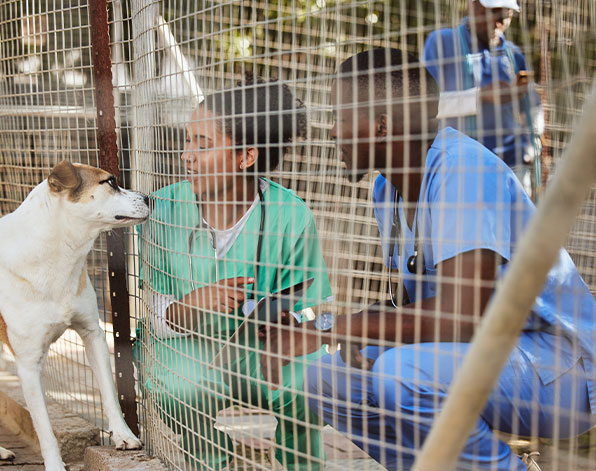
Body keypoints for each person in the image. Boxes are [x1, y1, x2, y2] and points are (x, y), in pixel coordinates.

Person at [261, 49, 595, 470]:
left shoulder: (463, 172)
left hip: (560, 371)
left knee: (402, 372)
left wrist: (336, 329)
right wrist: (324, 329)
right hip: (486, 358)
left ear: (381, 126)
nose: (332, 132)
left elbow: (459, 318)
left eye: (342, 118)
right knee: (326, 379)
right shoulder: (388, 190)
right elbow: (408, 308)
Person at [137, 75, 333, 471]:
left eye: (202, 144)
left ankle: (299, 463)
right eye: (188, 140)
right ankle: (211, 461)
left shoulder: (291, 215)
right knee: (178, 386)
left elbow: (321, 311)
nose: (186, 155)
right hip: (189, 348)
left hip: (261, 350)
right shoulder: (160, 210)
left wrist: (291, 323)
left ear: (246, 157)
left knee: (314, 382)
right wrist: (187, 307)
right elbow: (143, 307)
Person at [422, 0, 544, 197]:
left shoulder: (513, 55)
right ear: (473, 7)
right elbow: (423, 106)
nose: (500, 22)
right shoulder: (442, 43)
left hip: (509, 168)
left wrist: (528, 148)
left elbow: (533, 109)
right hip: (458, 167)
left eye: (507, 15)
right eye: (494, 12)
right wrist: (480, 96)